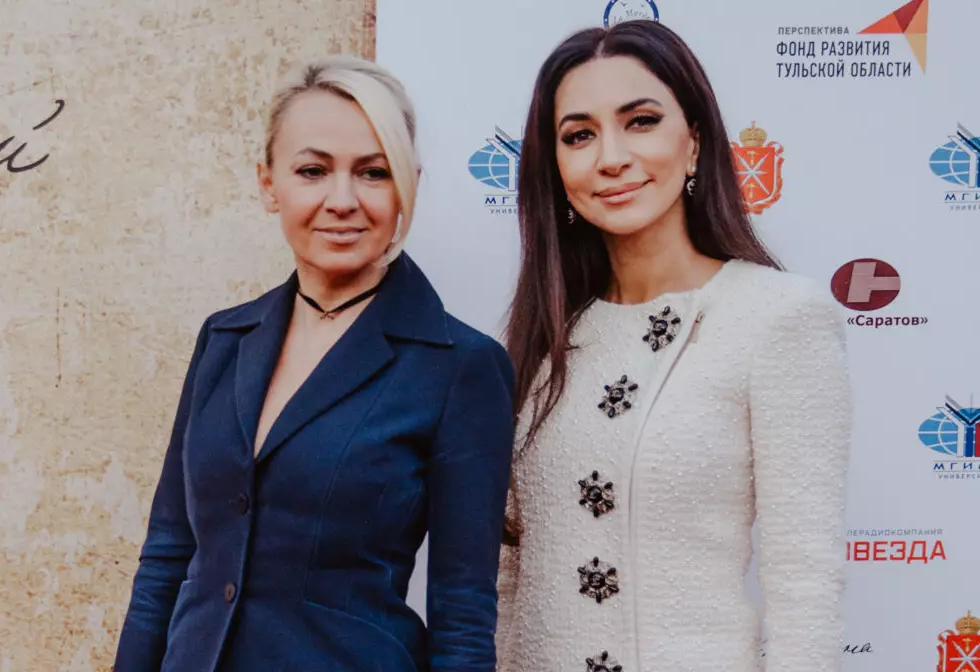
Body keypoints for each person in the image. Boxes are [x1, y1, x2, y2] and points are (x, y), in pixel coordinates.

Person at [113, 54, 515, 672]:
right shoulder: (224, 339)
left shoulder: (461, 366)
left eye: (373, 173)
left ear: (408, 185)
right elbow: (169, 553)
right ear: (269, 183)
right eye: (312, 170)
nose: (343, 199)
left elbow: (462, 613)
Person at [495, 20, 851, 672]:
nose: (610, 156)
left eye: (640, 121)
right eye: (579, 135)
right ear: (556, 168)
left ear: (694, 143)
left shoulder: (776, 317)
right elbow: (507, 576)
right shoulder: (534, 339)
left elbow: (805, 585)